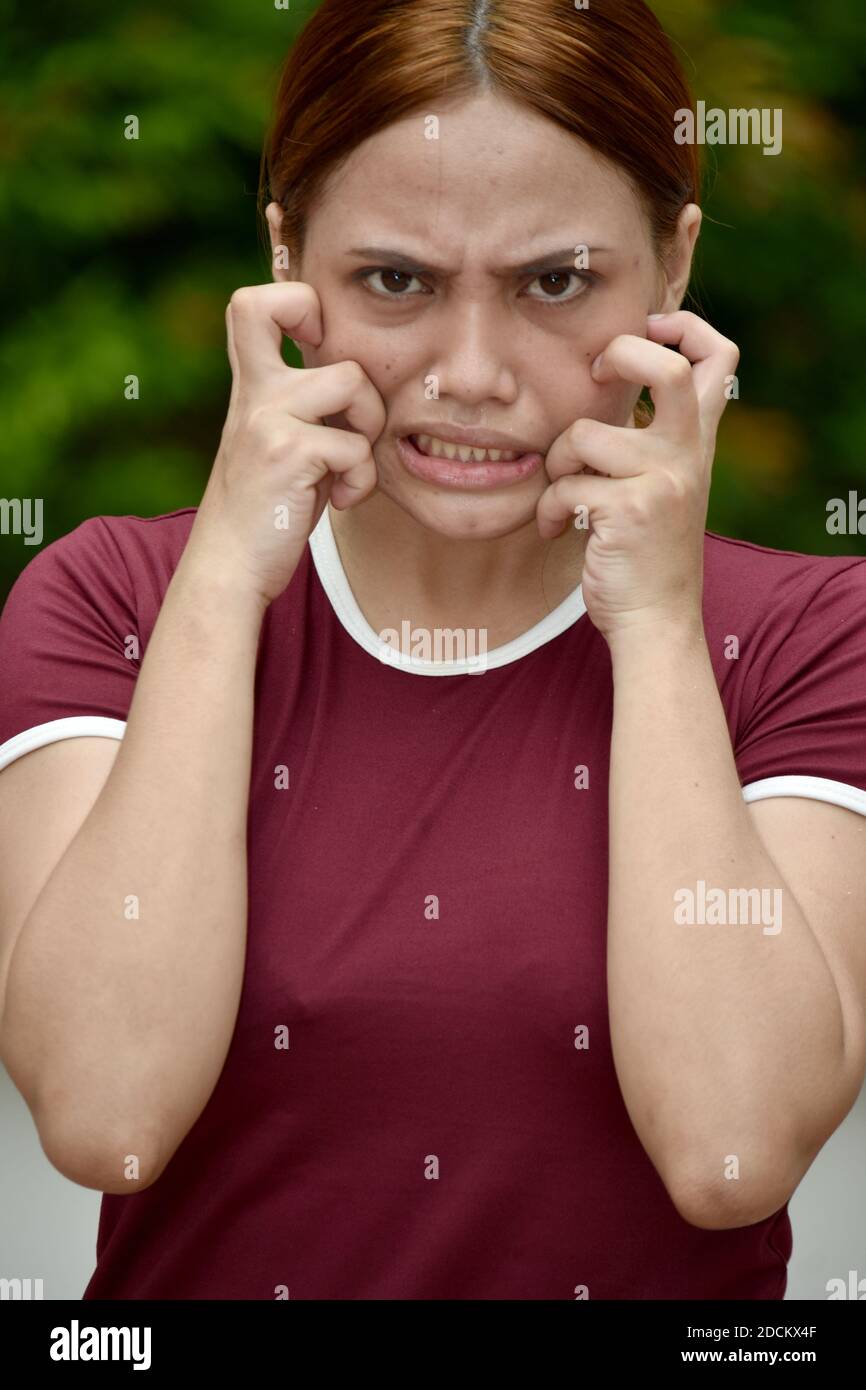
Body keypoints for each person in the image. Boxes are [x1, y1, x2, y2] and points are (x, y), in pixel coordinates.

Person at [1, 0, 865, 1301]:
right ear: (285, 249)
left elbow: (730, 1153)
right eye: (395, 280)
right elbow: (102, 1114)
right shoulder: (114, 601)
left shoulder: (807, 636)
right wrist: (225, 576)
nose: (470, 371)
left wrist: (651, 628)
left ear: (672, 269)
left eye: (553, 281)